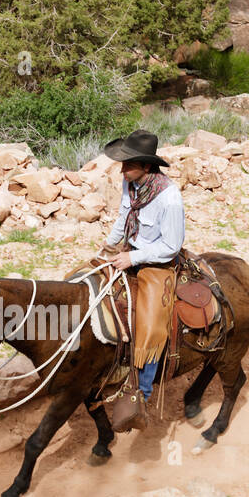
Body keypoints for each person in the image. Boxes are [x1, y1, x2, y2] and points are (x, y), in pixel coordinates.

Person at [99, 129, 185, 401]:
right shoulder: (131, 184)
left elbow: (171, 246)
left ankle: (142, 391)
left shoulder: (169, 198)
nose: (122, 169)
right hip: (128, 251)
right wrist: (106, 249)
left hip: (157, 262)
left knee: (150, 322)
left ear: (146, 166)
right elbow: (123, 217)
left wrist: (133, 258)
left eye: (128, 163)